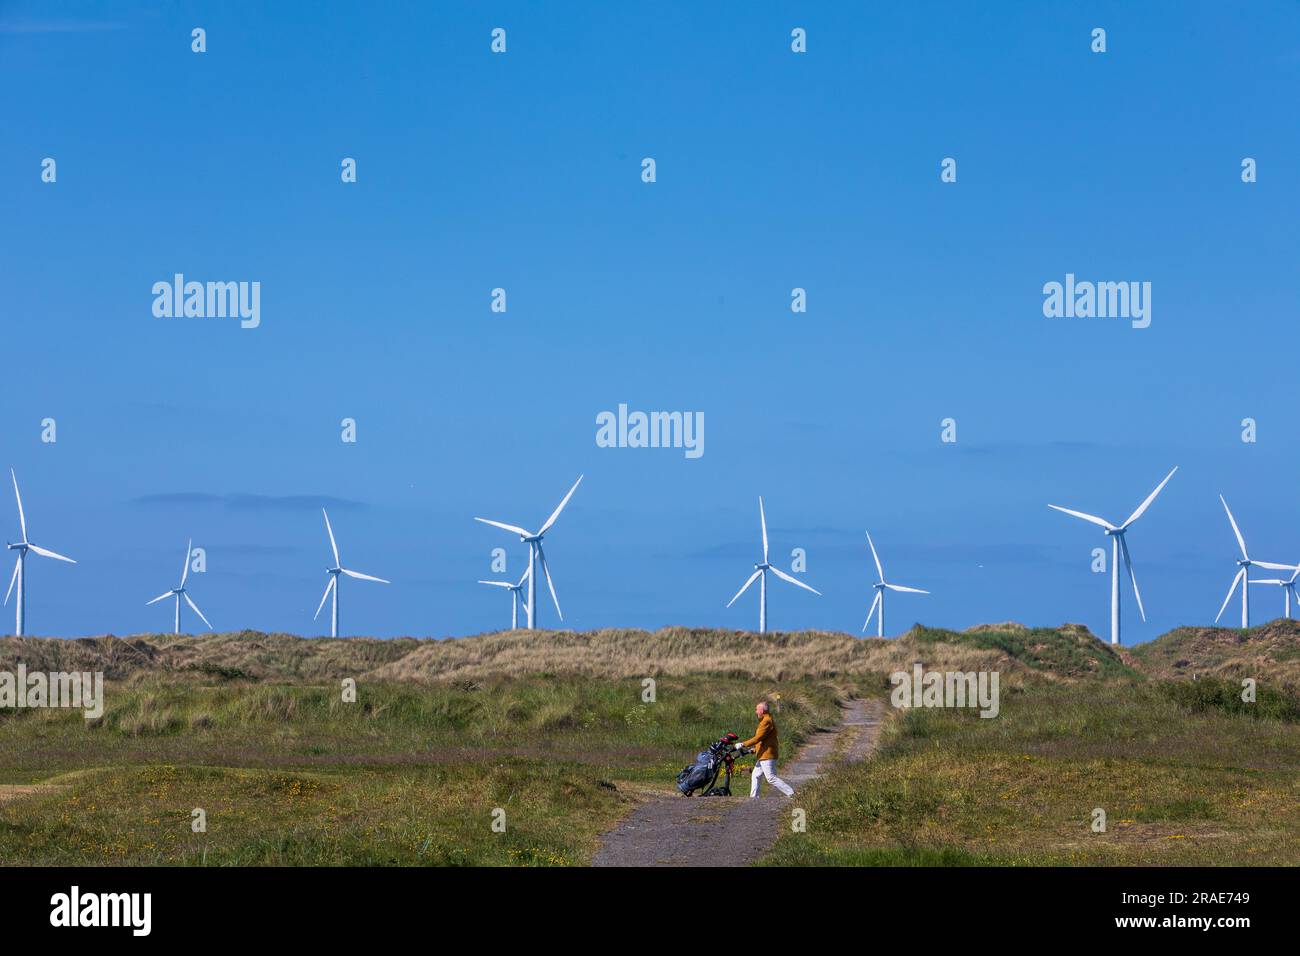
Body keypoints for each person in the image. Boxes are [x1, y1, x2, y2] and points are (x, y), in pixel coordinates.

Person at [738, 700, 794, 798]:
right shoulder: (765, 720)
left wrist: (743, 744)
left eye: (757, 710)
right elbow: (764, 740)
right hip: (764, 755)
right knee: (756, 775)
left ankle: (792, 793)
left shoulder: (766, 721)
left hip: (767, 756)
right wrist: (754, 750)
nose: (756, 712)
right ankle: (754, 798)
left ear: (762, 710)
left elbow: (758, 738)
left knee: (771, 778)